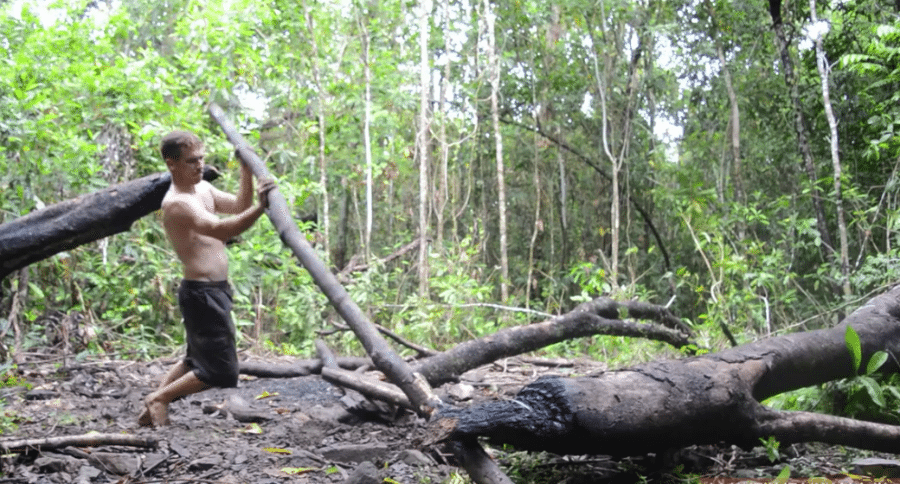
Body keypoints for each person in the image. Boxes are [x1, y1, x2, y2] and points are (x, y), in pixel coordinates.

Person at [138, 130, 276, 427]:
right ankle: (159, 400)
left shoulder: (202, 190)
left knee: (193, 359)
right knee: (221, 371)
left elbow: (238, 206)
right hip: (202, 293)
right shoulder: (178, 203)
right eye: (191, 161)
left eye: (201, 158)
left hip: (212, 290)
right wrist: (261, 209)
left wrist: (245, 170)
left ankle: (155, 403)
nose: (200, 166)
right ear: (171, 163)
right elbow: (223, 230)